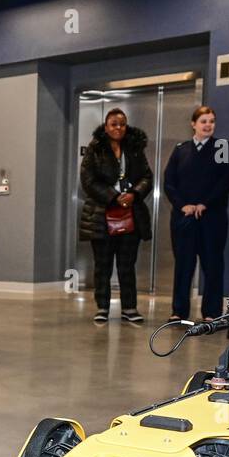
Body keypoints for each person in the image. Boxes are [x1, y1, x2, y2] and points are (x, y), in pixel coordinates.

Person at [78, 108, 153, 324]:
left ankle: (129, 307)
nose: (118, 128)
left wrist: (134, 194)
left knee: (127, 265)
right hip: (100, 215)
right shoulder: (95, 149)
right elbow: (88, 180)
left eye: (122, 123)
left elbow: (147, 177)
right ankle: (102, 307)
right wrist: (113, 196)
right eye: (113, 124)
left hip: (131, 214)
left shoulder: (135, 148)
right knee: (102, 265)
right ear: (106, 126)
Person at [163, 105, 229, 323]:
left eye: (211, 121)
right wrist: (182, 205)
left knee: (212, 265)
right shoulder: (180, 149)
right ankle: (179, 312)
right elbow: (169, 182)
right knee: (183, 266)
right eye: (203, 121)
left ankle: (211, 312)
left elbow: (226, 180)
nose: (208, 125)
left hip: (211, 218)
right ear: (193, 124)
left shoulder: (221, 147)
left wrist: (206, 203)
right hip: (184, 218)